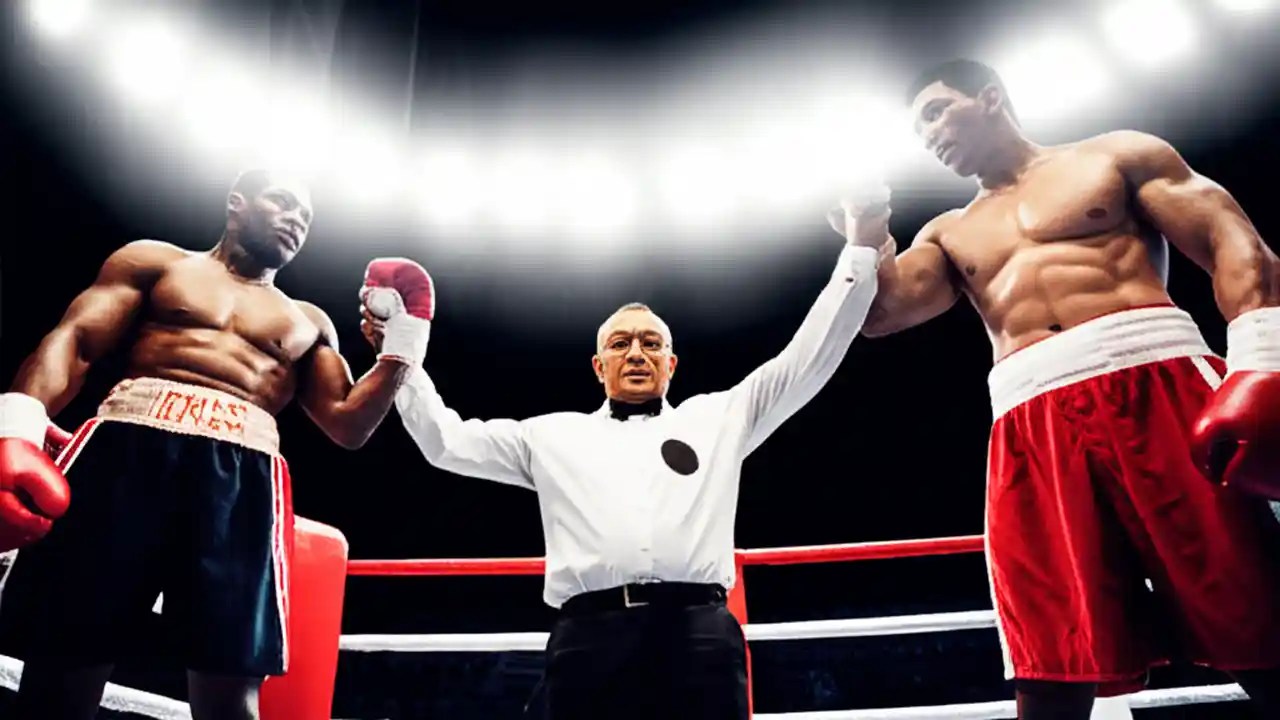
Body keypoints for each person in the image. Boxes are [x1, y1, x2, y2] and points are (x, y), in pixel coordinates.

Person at [834, 58, 1280, 719]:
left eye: (935, 112)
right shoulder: (949, 231)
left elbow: (1232, 243)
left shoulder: (1115, 157)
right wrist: (864, 231)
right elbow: (878, 316)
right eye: (917, 128)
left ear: (989, 98)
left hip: (1154, 380)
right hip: (1031, 419)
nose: (927, 135)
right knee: (1049, 647)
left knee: (1256, 614)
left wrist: (1259, 362)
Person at [357, 196, 890, 720]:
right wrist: (402, 347)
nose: (636, 353)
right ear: (598, 364)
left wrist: (860, 249)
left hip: (698, 631)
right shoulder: (550, 436)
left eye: (650, 344)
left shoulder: (720, 418)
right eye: (621, 343)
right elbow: (446, 441)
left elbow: (807, 359)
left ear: (671, 363)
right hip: (591, 638)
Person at [0, 169, 426, 720]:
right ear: (237, 202)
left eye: (308, 217)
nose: (298, 220)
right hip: (126, 451)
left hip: (240, 479)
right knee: (64, 661)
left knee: (230, 690)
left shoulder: (308, 321)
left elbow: (347, 423)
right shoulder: (156, 263)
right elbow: (75, 342)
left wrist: (402, 349)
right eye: (284, 202)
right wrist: (17, 427)